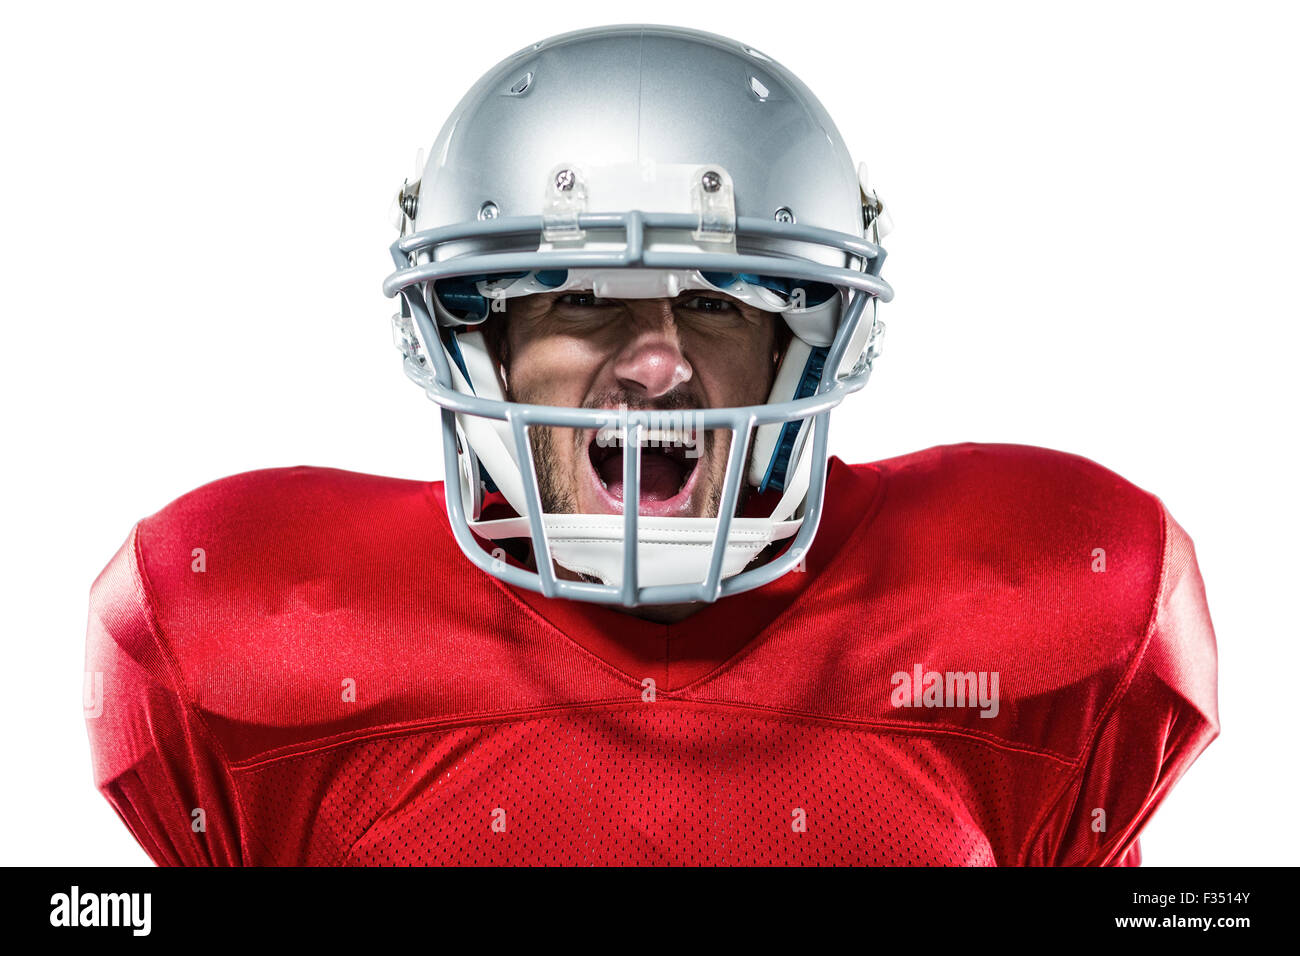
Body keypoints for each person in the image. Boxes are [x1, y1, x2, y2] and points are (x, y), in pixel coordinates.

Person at [84, 24, 1218, 866]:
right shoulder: (238, 619)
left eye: (718, 306)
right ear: (477, 346)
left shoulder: (1054, 601)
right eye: (582, 302)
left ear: (806, 347)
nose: (658, 361)